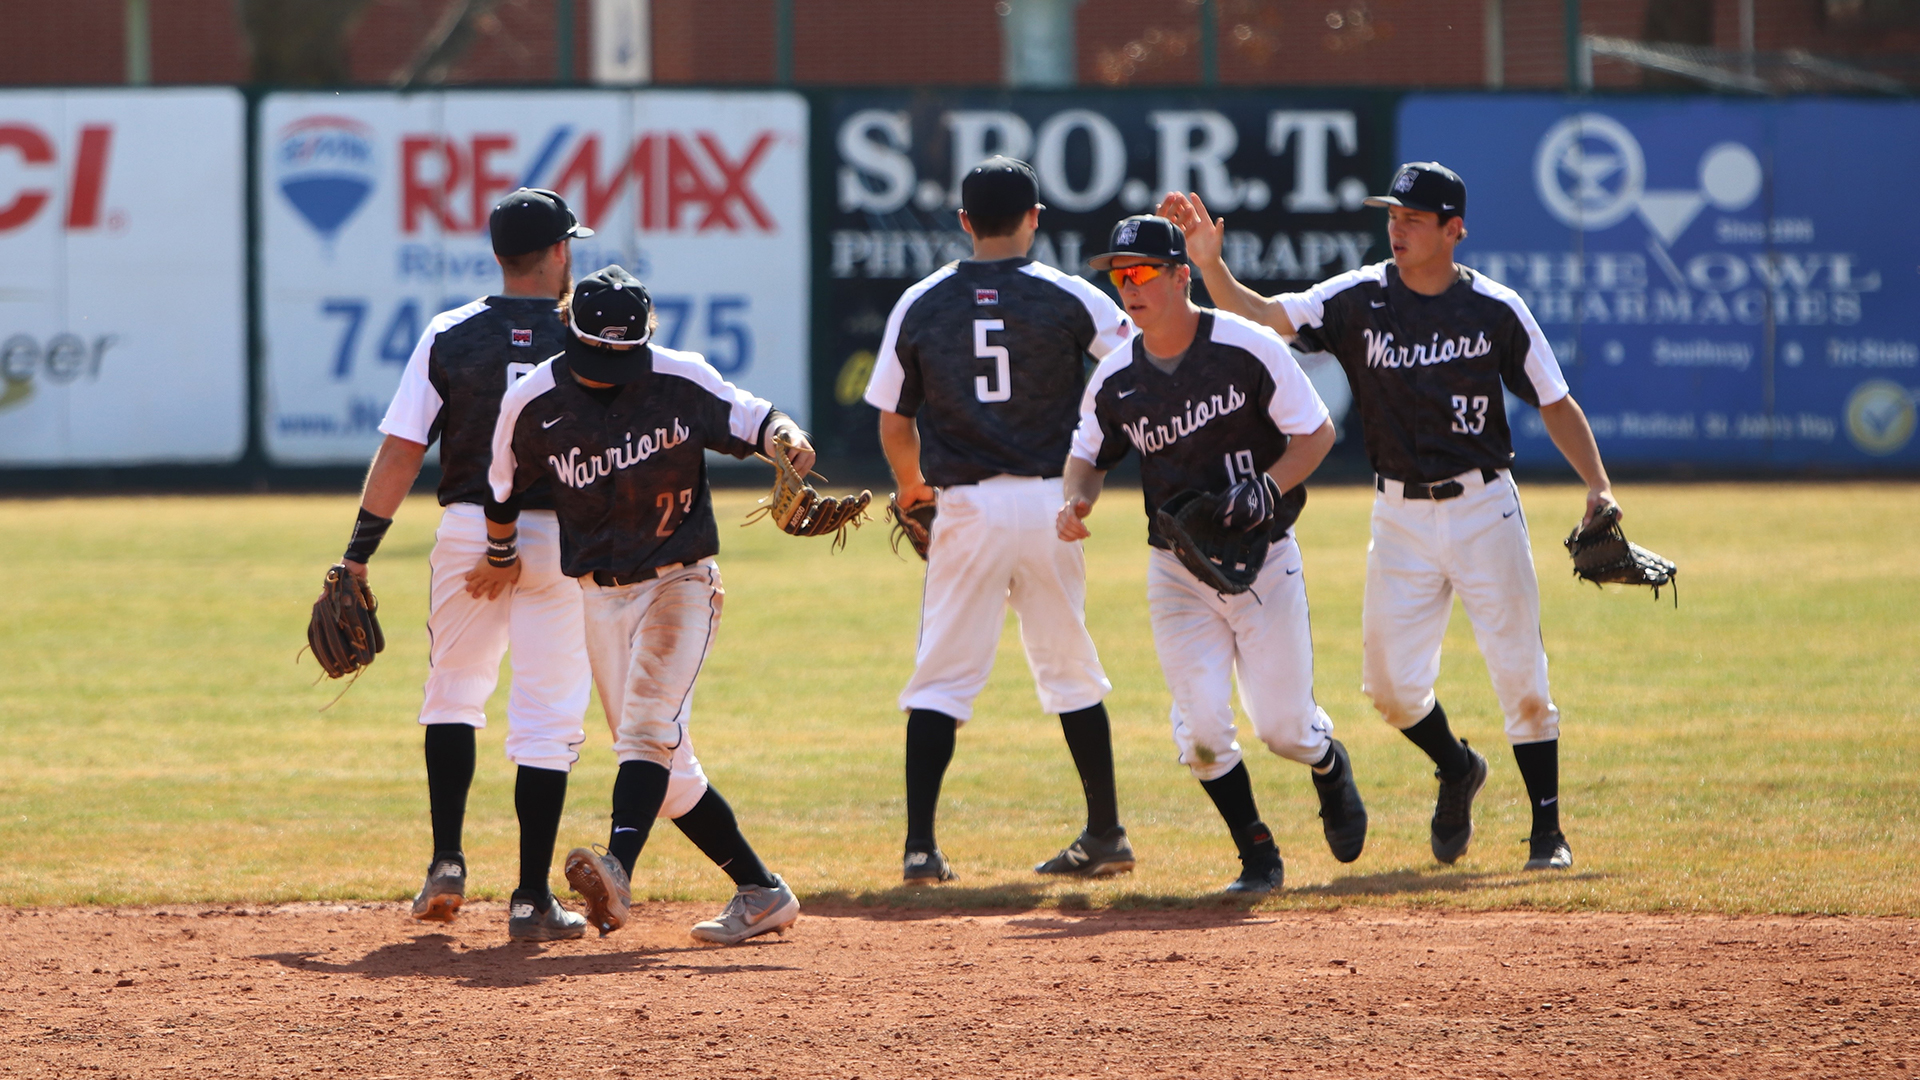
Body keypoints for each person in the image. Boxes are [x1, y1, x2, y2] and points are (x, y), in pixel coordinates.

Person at [1163, 161, 1616, 871]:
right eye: (1391, 216)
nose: (1396, 227)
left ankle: (1546, 834)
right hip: (1398, 515)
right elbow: (1268, 318)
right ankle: (1458, 766)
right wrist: (1211, 269)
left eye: (1413, 218)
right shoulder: (1358, 298)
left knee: (1522, 679)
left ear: (1453, 230)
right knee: (1390, 689)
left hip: (1483, 506)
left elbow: (1554, 399)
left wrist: (1598, 484)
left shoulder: (1494, 309)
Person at [485, 263, 804, 946]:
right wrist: (500, 552)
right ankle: (762, 891)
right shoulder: (535, 398)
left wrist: (788, 443)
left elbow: (759, 419)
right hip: (598, 596)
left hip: (679, 581)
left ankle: (616, 872)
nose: (605, 367)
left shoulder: (679, 378)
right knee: (667, 769)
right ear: (568, 330)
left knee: (645, 731)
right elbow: (502, 487)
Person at [1057, 215, 1367, 893]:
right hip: (1176, 567)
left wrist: (1269, 485)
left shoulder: (1246, 346)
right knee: (1199, 733)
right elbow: (1085, 458)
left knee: (1284, 730)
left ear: (1180, 276)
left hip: (1263, 556)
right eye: (1118, 275)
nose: (1127, 287)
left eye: (1141, 273)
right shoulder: (1114, 377)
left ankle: (1326, 761)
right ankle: (1257, 854)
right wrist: (1075, 500)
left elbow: (1316, 433)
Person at [861, 156, 1138, 885]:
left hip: (968, 506)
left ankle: (921, 848)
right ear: (1035, 218)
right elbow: (1141, 360)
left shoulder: (922, 300)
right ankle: (1105, 831)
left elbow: (894, 420)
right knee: (1070, 668)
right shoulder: (1067, 294)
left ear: (963, 223)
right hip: (1052, 503)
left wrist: (914, 490)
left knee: (941, 678)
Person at [341, 187, 593, 942]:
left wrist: (357, 555)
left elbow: (400, 450)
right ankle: (528, 898)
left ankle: (446, 860)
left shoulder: (450, 333)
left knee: (452, 692)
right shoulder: (588, 338)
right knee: (546, 722)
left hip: (464, 534)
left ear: (496, 255)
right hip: (565, 544)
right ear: (558, 253)